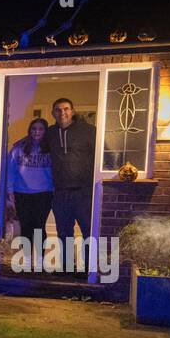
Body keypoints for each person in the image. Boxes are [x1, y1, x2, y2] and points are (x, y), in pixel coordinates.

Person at [48, 98, 96, 273]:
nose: (62, 113)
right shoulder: (51, 133)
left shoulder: (89, 131)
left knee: (88, 232)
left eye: (66, 109)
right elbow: (34, 139)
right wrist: (20, 143)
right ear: (53, 113)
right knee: (64, 232)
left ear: (73, 111)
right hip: (60, 193)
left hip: (84, 192)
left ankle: (87, 269)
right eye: (58, 110)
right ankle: (67, 267)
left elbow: (106, 155)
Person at [6, 118, 53, 244]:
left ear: (45, 131)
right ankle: (26, 259)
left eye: (40, 129)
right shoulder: (19, 148)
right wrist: (9, 189)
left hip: (44, 193)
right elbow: (11, 170)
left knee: (39, 227)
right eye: (34, 128)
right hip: (22, 193)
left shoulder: (52, 149)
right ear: (29, 130)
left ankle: (39, 260)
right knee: (26, 227)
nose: (37, 132)